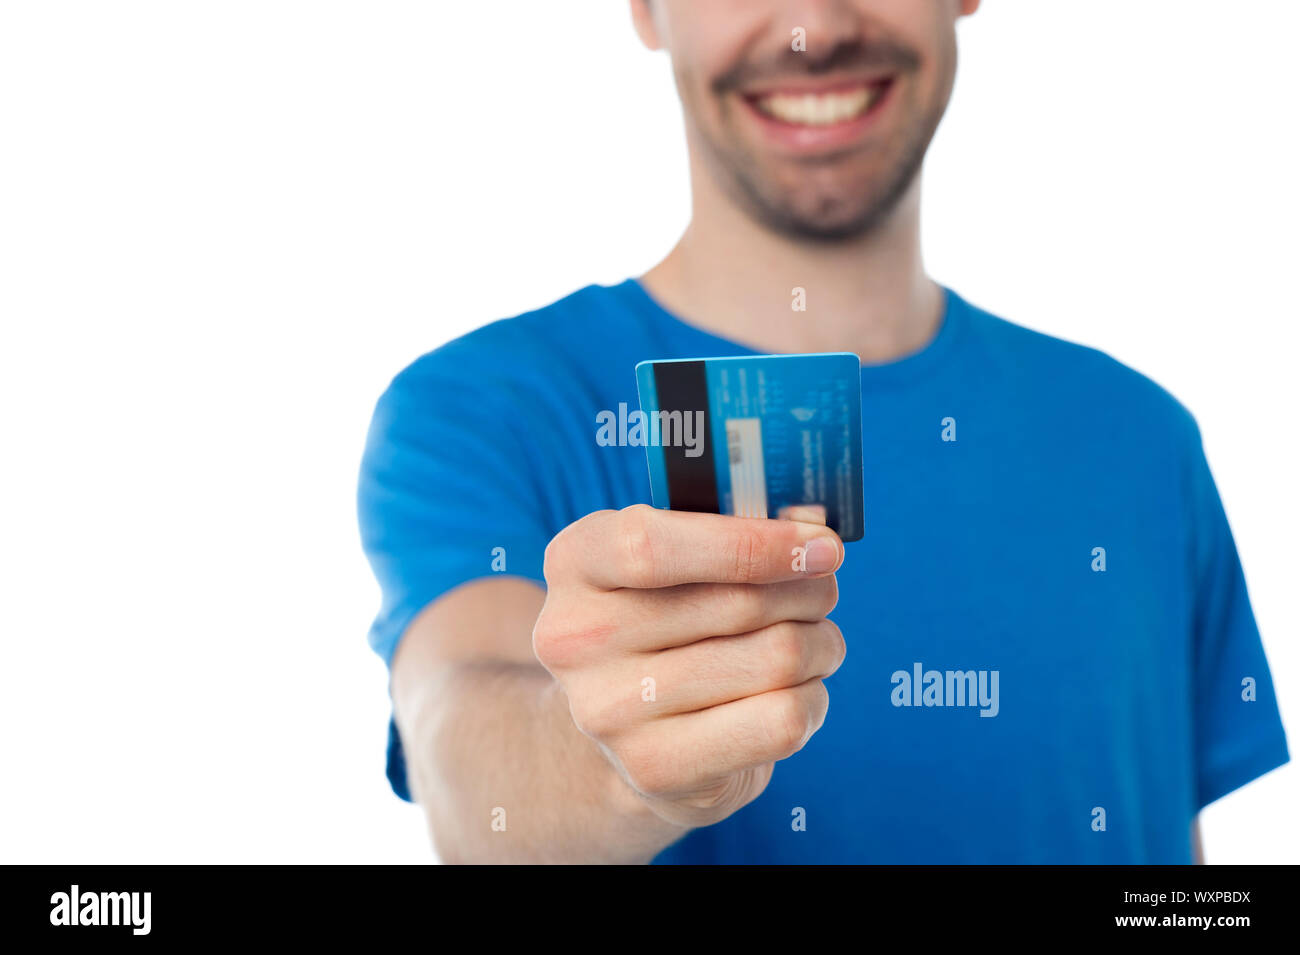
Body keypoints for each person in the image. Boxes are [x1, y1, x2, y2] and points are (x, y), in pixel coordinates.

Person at [357, 0, 1288, 863]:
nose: (812, 26)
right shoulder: (486, 411)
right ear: (645, 5)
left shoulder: (1142, 436)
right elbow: (467, 760)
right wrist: (611, 756)